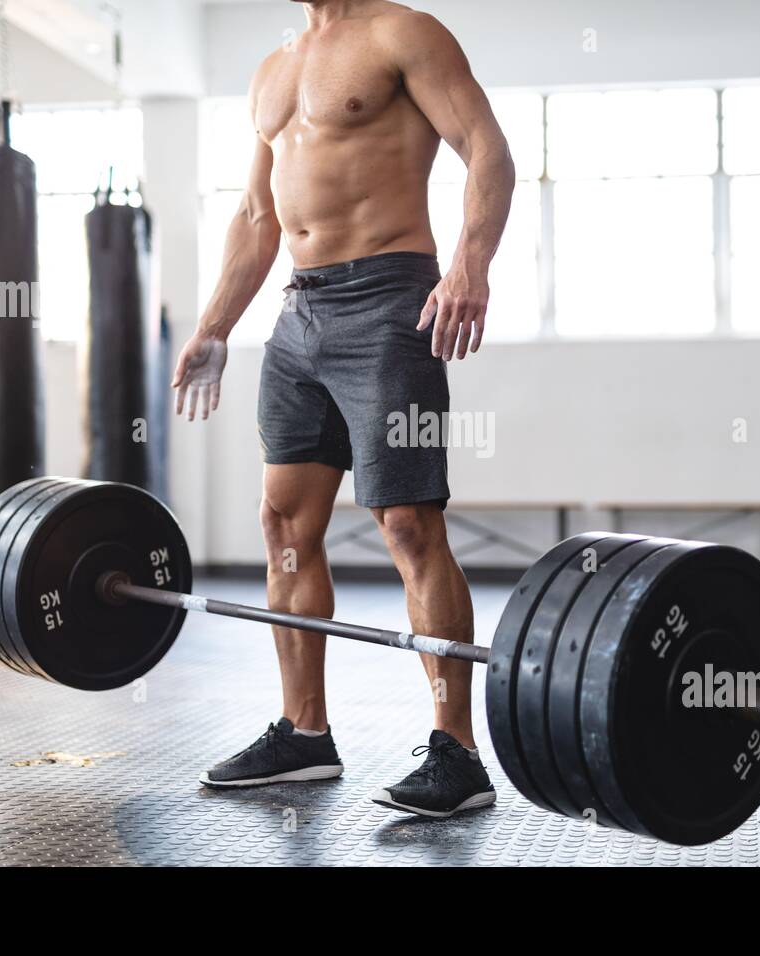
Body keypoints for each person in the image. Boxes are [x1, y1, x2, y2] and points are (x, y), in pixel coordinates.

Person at [171, 0, 514, 819]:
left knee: (406, 522)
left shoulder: (403, 33)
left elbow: (487, 150)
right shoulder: (273, 68)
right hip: (299, 317)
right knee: (284, 525)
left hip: (393, 303)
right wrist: (215, 325)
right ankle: (305, 733)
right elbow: (258, 216)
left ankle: (456, 752)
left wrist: (470, 262)